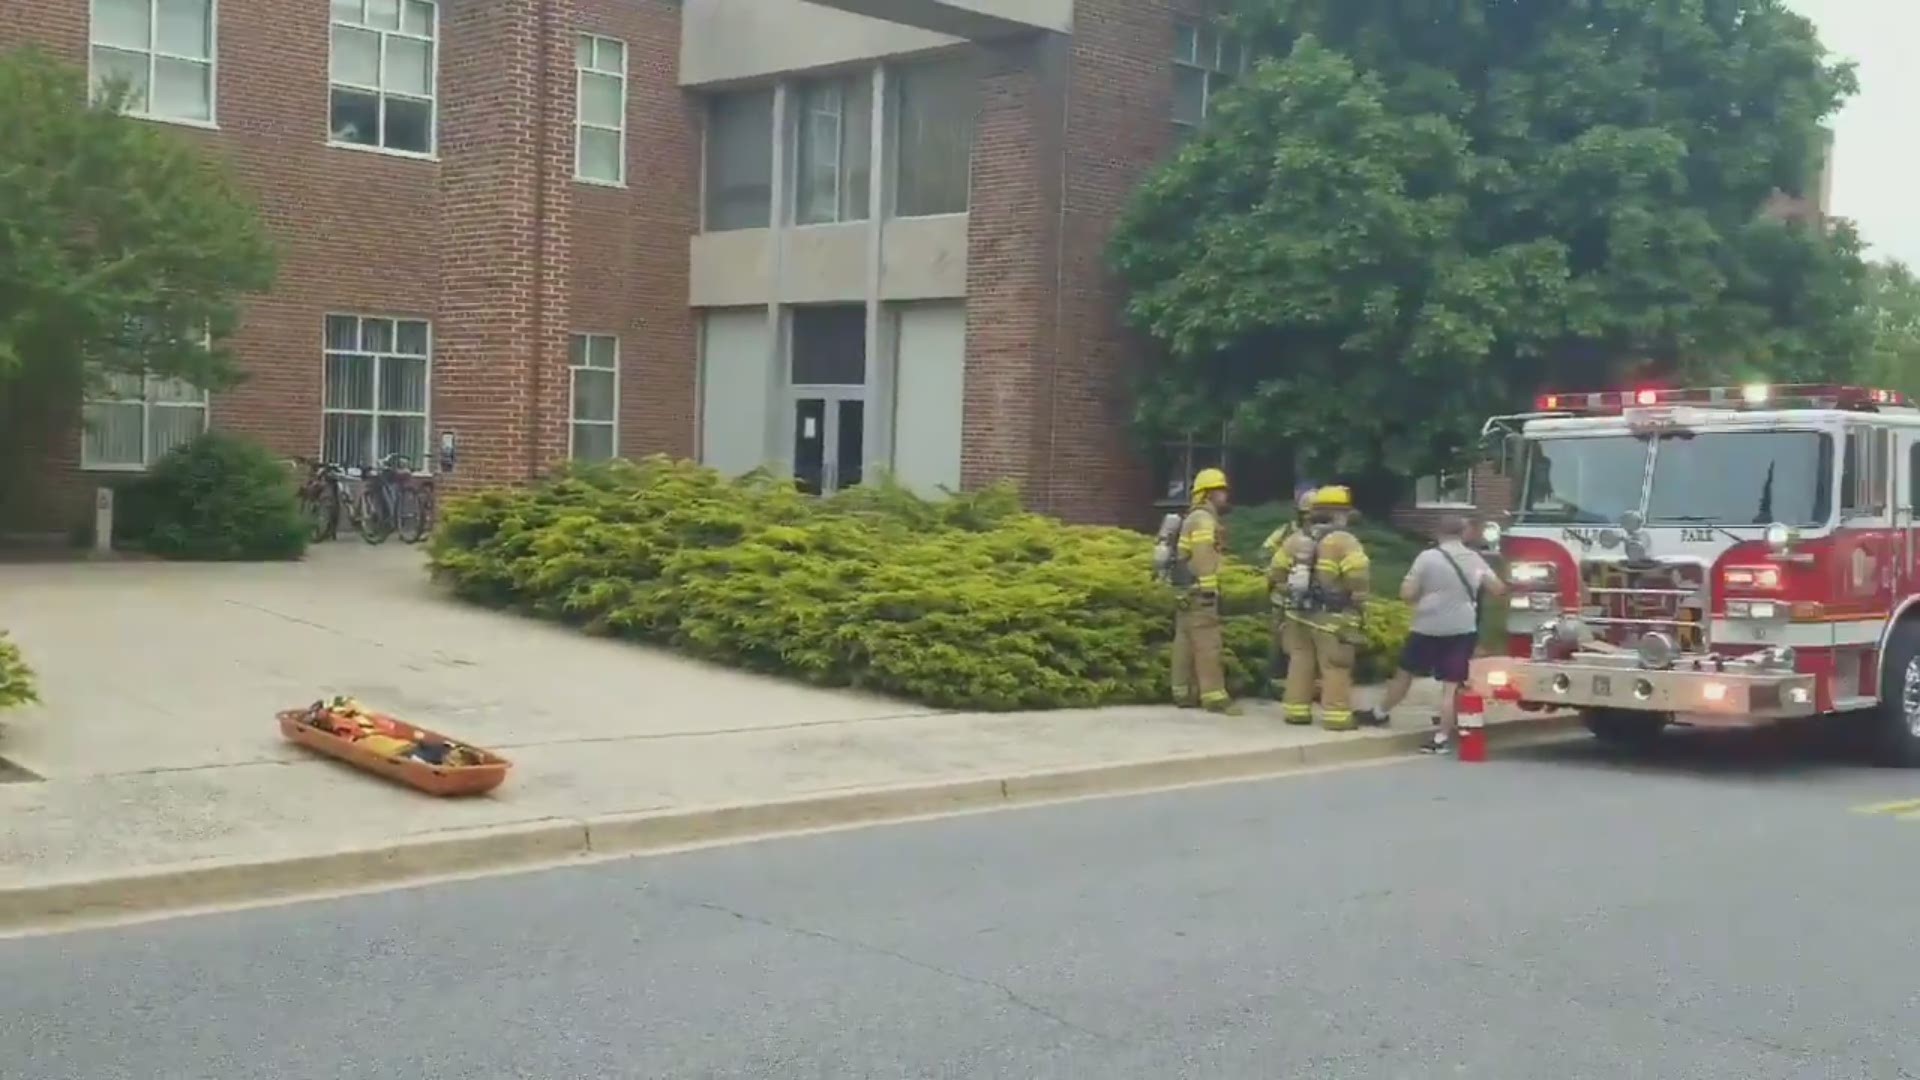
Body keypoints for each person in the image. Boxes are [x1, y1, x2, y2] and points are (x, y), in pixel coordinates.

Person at [1374, 514, 1508, 754]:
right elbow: (1498, 589)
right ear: (1464, 533)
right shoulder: (1474, 559)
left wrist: (1427, 595)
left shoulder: (1428, 558)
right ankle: (1441, 738)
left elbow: (1407, 593)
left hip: (1427, 625)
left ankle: (1379, 712)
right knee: (1450, 686)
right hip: (1462, 627)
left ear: (1439, 533)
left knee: (1405, 673)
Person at [1271, 486, 1383, 731]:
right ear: (1339, 513)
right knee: (1336, 665)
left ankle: (1296, 711)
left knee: (1300, 661)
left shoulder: (1296, 539)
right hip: (1332, 617)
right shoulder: (1344, 541)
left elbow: (1276, 571)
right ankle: (1337, 716)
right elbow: (1357, 575)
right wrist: (1359, 600)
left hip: (1298, 615)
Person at [1170, 468, 1239, 715]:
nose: (1225, 495)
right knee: (1208, 644)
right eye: (1220, 490)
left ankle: (1183, 692)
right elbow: (1202, 556)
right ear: (1208, 493)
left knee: (1185, 642)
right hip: (1200, 592)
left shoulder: (1192, 517)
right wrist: (1210, 589)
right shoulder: (1203, 520)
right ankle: (1215, 697)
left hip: (1185, 589)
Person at [1258, 483, 1319, 697]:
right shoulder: (1285, 533)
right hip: (1283, 598)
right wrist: (1277, 580)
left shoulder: (1324, 536)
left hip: (1312, 602)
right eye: (1309, 514)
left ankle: (1306, 688)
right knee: (1279, 644)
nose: (1312, 519)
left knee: (1306, 646)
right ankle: (1275, 686)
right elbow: (1265, 554)